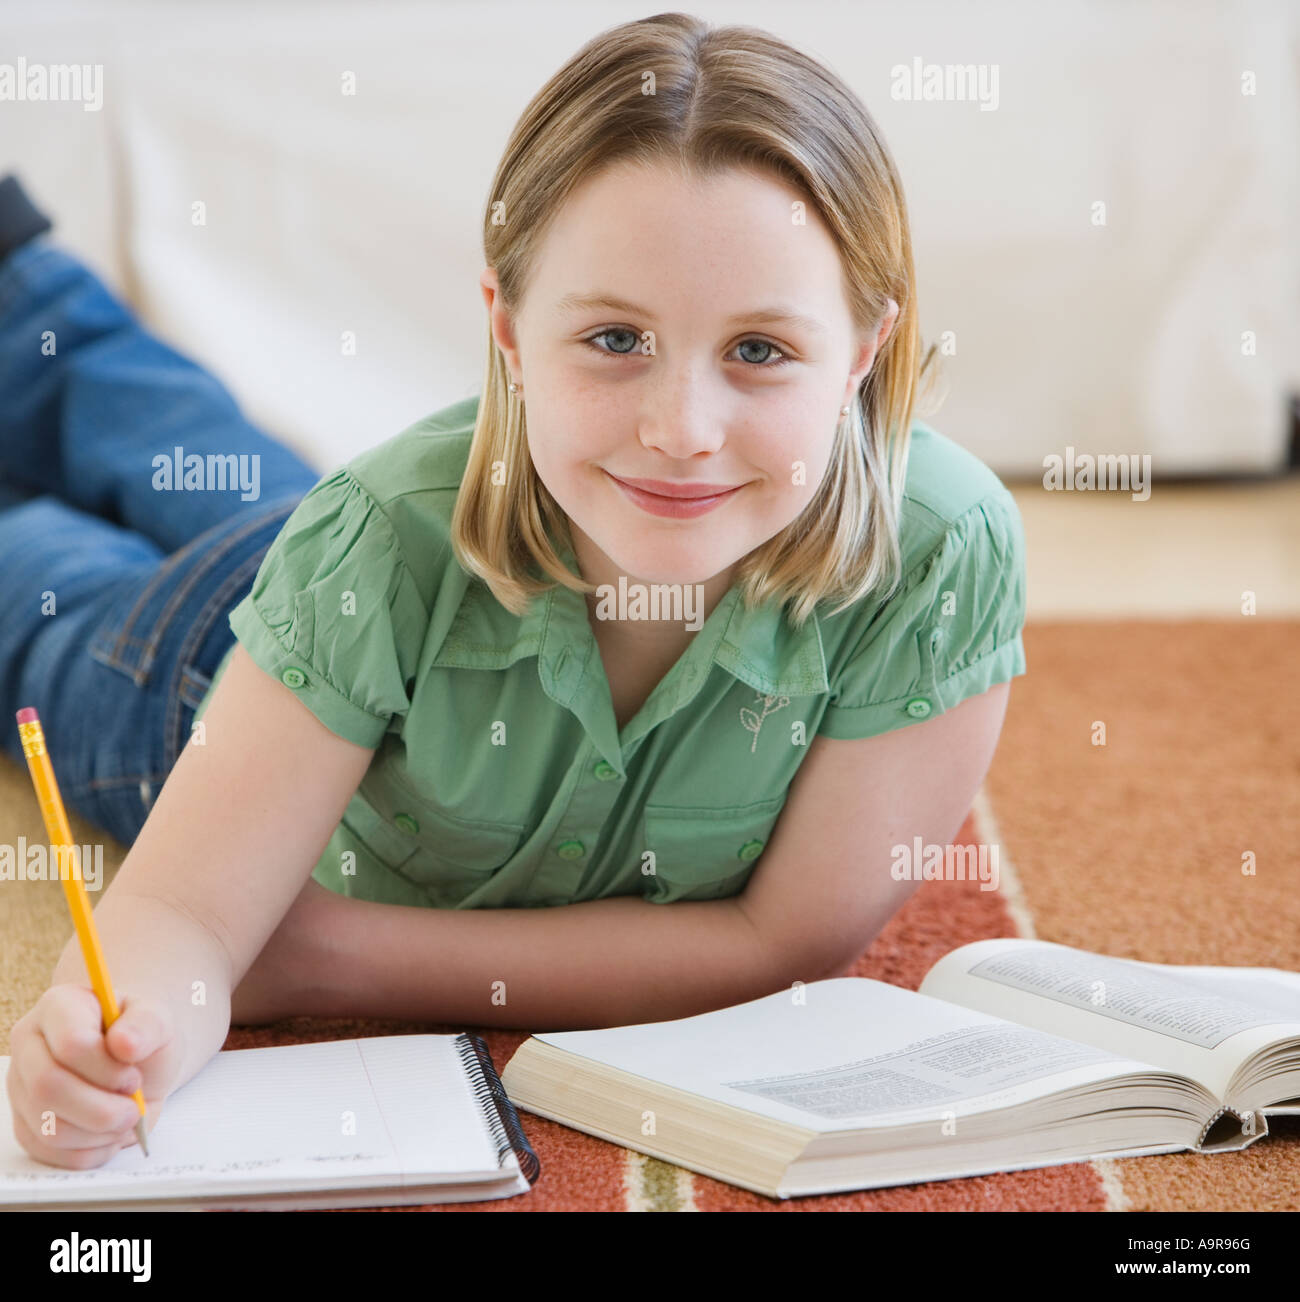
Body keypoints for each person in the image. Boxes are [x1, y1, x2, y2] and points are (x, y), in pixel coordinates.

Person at [4, 12, 1027, 1170]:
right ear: (508, 330)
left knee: (197, 458)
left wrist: (320, 956)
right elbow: (184, 918)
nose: (681, 432)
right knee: (42, 573)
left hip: (384, 564)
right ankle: (27, 296)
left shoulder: (942, 549)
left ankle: (25, 294)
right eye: (613, 338)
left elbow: (780, 942)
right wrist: (132, 1028)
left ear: (862, 353)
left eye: (758, 350)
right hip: (197, 669)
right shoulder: (380, 534)